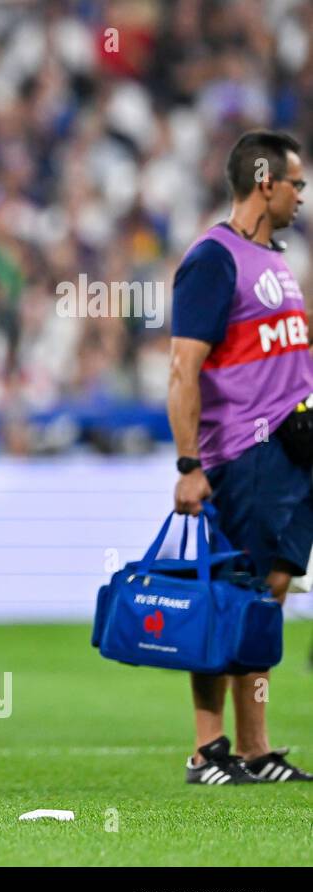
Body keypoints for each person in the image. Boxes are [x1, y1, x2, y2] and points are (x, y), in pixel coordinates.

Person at [168, 129, 313, 785]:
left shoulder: (275, 259)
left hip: (292, 453)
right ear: (265, 182)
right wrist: (188, 464)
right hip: (244, 454)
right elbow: (183, 367)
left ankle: (255, 750)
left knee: (268, 596)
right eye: (296, 184)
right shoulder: (213, 259)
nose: (301, 196)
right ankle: (208, 750)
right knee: (228, 597)